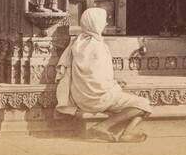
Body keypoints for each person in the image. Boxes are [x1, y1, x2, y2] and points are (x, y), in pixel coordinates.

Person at [55, 8, 151, 142]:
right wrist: (115, 85)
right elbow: (99, 84)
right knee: (144, 104)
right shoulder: (98, 46)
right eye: (104, 21)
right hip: (97, 98)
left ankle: (117, 131)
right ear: (95, 23)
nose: (106, 24)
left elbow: (91, 74)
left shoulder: (78, 43)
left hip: (81, 98)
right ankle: (109, 128)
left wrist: (113, 81)